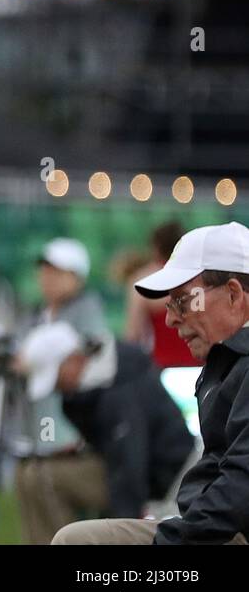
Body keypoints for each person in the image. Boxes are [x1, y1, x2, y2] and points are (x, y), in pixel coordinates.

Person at [54, 222, 249, 544]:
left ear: (233, 294)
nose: (170, 318)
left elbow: (240, 490)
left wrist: (169, 540)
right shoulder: (225, 363)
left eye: (182, 301)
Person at [19, 323, 193, 531]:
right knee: (29, 473)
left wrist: (125, 529)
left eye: (56, 377)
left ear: (73, 360)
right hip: (138, 469)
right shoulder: (100, 381)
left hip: (160, 480)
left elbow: (130, 462)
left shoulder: (118, 389)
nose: (56, 387)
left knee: (41, 477)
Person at [12, 236, 110, 543]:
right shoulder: (37, 316)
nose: (47, 278)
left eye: (56, 272)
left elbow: (94, 354)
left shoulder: (87, 311)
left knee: (42, 480)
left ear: (76, 277)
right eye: (45, 271)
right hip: (43, 430)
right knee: (27, 479)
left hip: (76, 440)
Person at [122, 221, 194, 368]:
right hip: (200, 362)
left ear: (155, 248)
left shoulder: (143, 280)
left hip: (162, 364)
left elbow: (133, 335)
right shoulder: (199, 277)